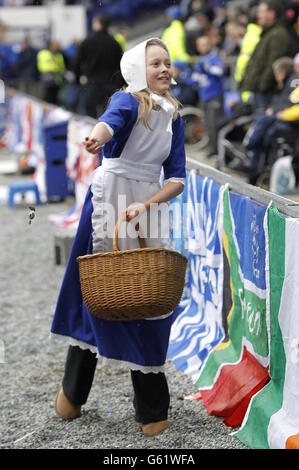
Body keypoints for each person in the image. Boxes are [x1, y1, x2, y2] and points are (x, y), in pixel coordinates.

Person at [51, 38, 186, 438]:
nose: (164, 69)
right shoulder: (129, 100)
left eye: (167, 63)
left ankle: (149, 407)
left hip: (147, 208)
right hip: (109, 204)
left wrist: (147, 206)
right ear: (135, 71)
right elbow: (109, 123)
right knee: (98, 291)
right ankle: (74, 392)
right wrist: (97, 138)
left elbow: (177, 178)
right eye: (155, 63)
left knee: (147, 295)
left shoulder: (173, 115)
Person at [245, 56, 297, 184]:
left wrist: (275, 111)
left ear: (282, 71)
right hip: (281, 118)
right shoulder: (287, 82)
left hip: (288, 121)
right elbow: (282, 101)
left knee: (264, 126)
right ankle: (254, 170)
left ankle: (250, 145)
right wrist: (273, 109)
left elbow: (290, 104)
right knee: (262, 123)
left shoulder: (293, 81)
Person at [240, 0, 292, 114]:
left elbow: (273, 64)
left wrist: (262, 85)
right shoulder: (268, 33)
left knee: (264, 123)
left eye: (261, 11)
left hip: (266, 93)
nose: (258, 15)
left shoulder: (278, 34)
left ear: (271, 13)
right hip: (260, 91)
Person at [72, 14, 123, 118]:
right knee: (109, 117)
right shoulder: (114, 43)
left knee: (89, 116)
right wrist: (120, 85)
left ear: (97, 24)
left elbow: (76, 63)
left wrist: (77, 81)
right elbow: (120, 66)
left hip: (92, 84)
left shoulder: (87, 42)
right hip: (110, 85)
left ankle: (92, 134)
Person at [192, 32, 225, 157]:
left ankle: (218, 150)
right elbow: (195, 78)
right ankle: (213, 148)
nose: (203, 47)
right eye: (200, 45)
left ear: (210, 44)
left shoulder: (215, 58)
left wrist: (206, 70)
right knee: (207, 123)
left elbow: (219, 71)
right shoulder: (200, 60)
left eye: (205, 44)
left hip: (215, 96)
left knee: (214, 123)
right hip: (204, 96)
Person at [36, 40, 65, 105]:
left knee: (55, 98)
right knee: (47, 97)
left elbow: (61, 66)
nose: (58, 47)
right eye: (56, 46)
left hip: (57, 79)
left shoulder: (59, 54)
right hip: (47, 78)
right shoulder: (44, 53)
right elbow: (45, 65)